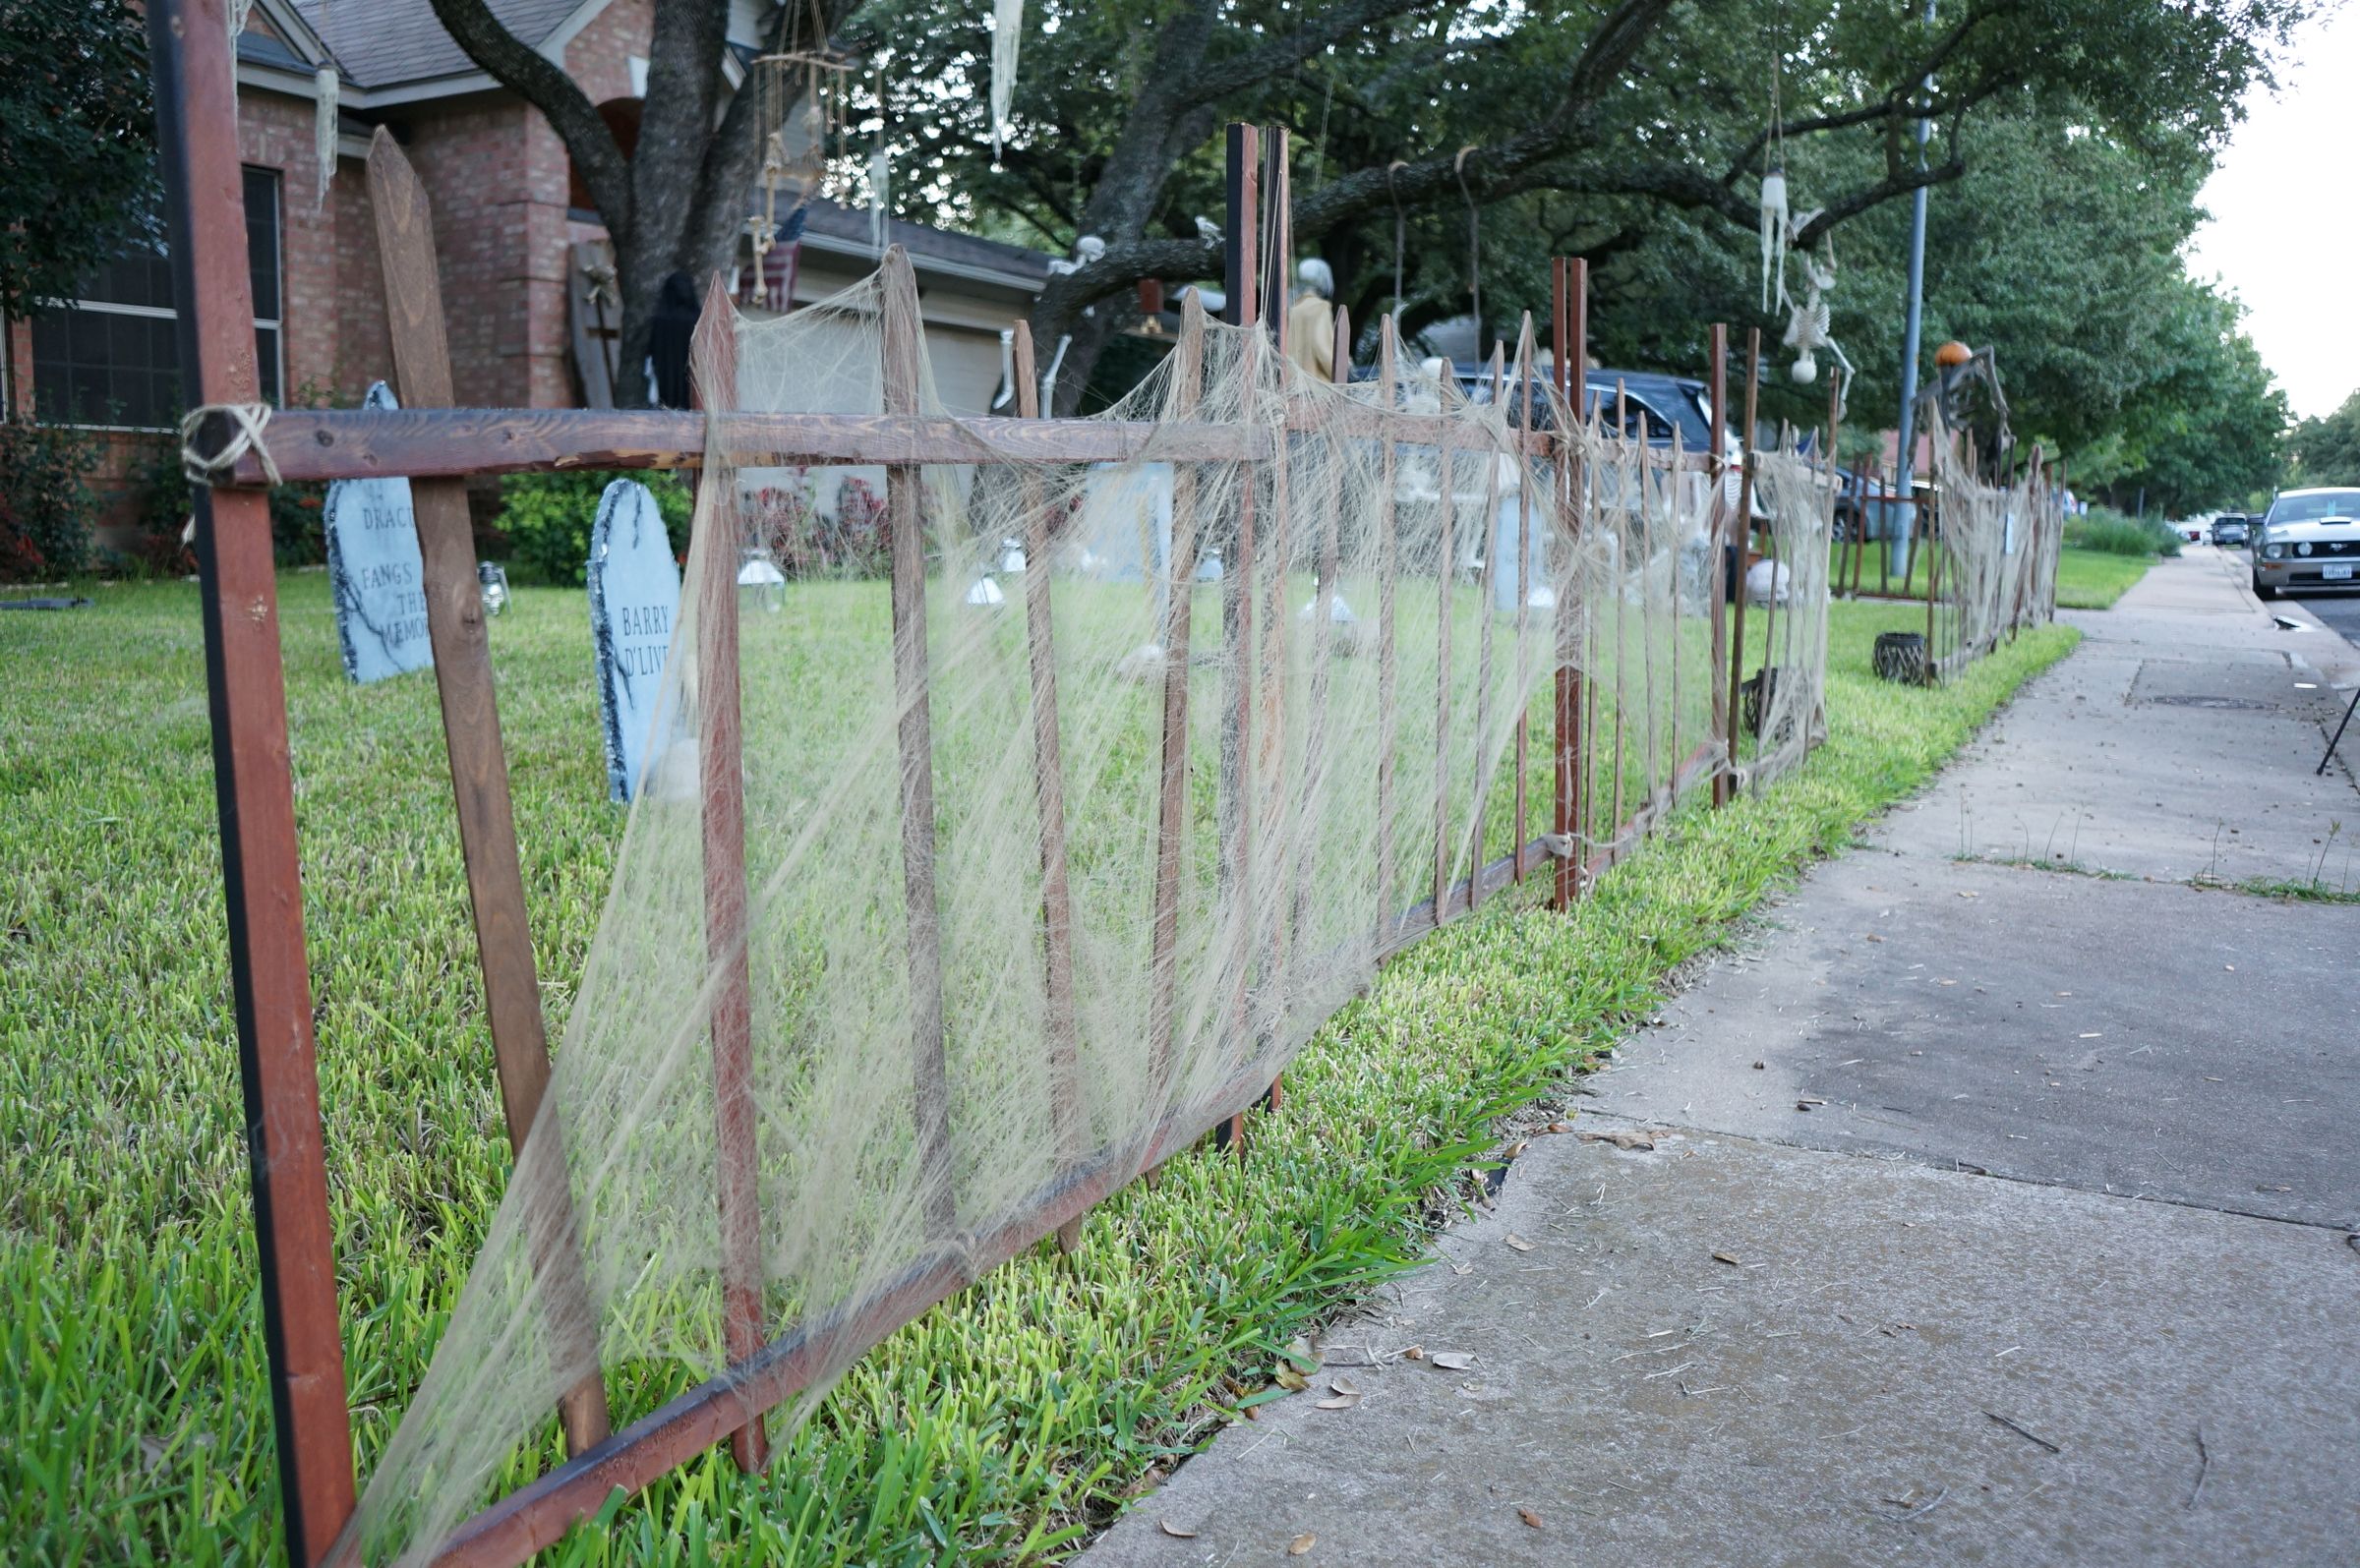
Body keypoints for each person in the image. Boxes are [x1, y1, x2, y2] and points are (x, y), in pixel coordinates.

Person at [1286, 258, 1336, 380]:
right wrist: (1343, 374)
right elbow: (1322, 348)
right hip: (1317, 387)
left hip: (1293, 386)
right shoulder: (1321, 307)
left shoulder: (1293, 310)